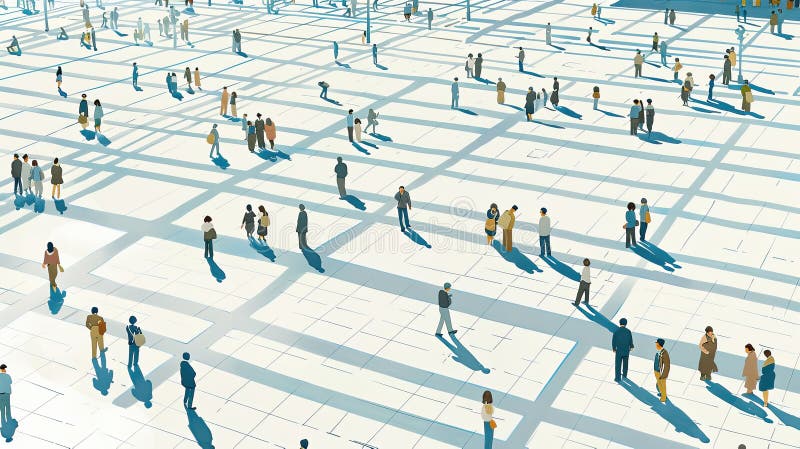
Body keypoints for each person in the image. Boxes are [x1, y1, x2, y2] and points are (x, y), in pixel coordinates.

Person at [654, 338, 670, 402]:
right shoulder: (659, 351)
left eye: (656, 344)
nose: (655, 345)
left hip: (661, 373)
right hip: (656, 371)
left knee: (662, 385)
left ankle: (663, 397)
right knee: (658, 384)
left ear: (659, 345)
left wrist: (664, 374)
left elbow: (667, 365)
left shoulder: (664, 353)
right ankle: (661, 393)